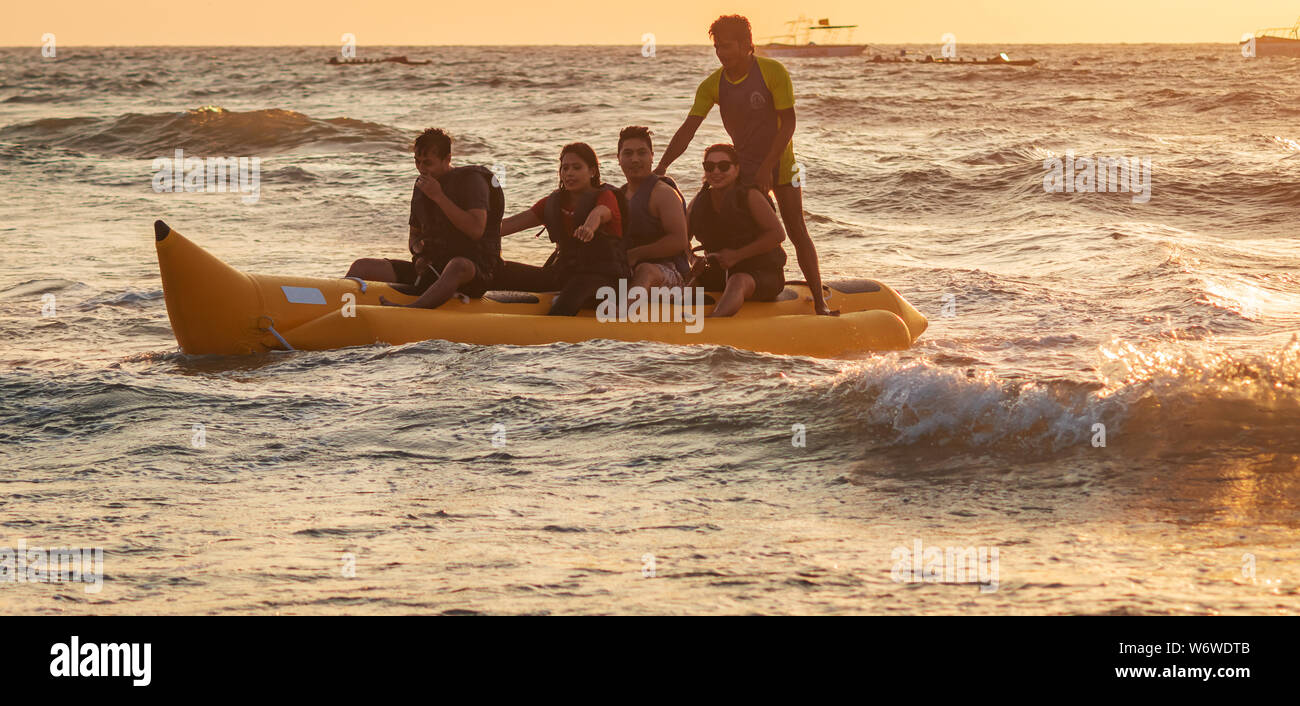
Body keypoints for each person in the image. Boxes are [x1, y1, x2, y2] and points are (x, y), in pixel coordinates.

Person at [653, 14, 836, 315]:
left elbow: (788, 124)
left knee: (796, 230)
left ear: (747, 45)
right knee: (723, 219)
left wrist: (767, 167)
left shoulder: (772, 72)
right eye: (717, 48)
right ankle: (732, 277)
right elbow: (689, 128)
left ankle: (819, 301)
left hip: (781, 164)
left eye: (727, 46)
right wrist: (661, 167)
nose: (721, 53)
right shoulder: (713, 85)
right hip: (742, 167)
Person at [345, 128, 503, 309]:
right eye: (417, 162)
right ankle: (335, 306)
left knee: (457, 265)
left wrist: (439, 196)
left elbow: (476, 230)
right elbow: (414, 235)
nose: (421, 169)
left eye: (428, 163)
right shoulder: (422, 186)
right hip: (433, 267)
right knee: (362, 267)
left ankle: (412, 310)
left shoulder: (471, 181)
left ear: (448, 159)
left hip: (473, 271)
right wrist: (417, 251)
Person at [498, 143, 629, 316]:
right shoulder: (554, 202)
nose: (569, 173)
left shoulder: (605, 196)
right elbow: (507, 225)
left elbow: (600, 213)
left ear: (592, 171)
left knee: (568, 299)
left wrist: (589, 227)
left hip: (604, 278)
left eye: (576, 167)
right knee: (501, 270)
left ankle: (551, 334)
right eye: (565, 168)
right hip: (564, 274)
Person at [687, 144, 787, 317]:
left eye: (724, 166)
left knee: (737, 280)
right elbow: (681, 239)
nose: (716, 171)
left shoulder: (750, 196)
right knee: (687, 284)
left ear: (737, 168)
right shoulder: (699, 201)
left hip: (761, 273)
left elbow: (777, 234)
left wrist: (737, 255)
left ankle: (714, 325)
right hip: (719, 273)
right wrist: (693, 259)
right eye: (709, 167)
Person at [615, 126, 690, 291]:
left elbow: (679, 241)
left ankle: (623, 313)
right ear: (618, 158)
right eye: (628, 153)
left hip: (671, 273)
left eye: (641, 153)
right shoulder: (618, 195)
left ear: (651, 157)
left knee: (645, 270)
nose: (635, 159)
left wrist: (636, 254)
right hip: (629, 269)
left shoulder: (664, 194)